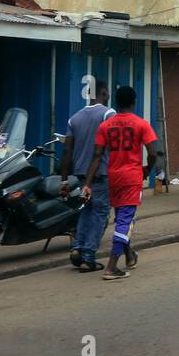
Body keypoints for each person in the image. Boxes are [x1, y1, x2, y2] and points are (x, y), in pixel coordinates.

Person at [84, 85, 160, 282]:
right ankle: (111, 267)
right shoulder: (141, 124)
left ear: (116, 102)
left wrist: (87, 183)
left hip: (113, 177)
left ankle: (129, 255)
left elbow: (97, 155)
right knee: (125, 222)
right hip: (132, 177)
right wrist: (146, 170)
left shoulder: (105, 126)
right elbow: (153, 153)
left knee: (122, 219)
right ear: (134, 101)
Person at [59, 83, 115, 273]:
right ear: (104, 93)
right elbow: (113, 146)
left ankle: (77, 249)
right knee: (100, 214)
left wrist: (64, 180)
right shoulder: (108, 114)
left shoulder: (74, 119)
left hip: (81, 175)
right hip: (101, 173)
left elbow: (67, 151)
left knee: (85, 211)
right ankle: (88, 257)